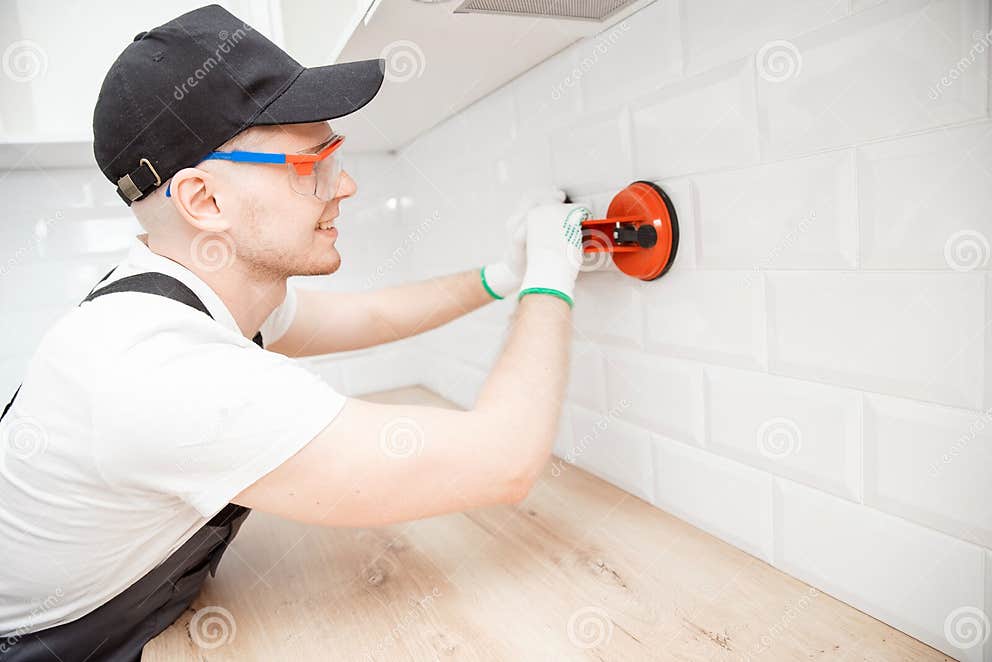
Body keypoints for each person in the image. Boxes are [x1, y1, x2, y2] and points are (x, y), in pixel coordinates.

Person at [0, 5, 590, 661]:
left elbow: (367, 317)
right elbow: (504, 459)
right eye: (316, 163)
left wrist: (504, 275)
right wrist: (552, 279)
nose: (347, 185)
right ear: (205, 202)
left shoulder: (193, 292)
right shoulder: (160, 371)